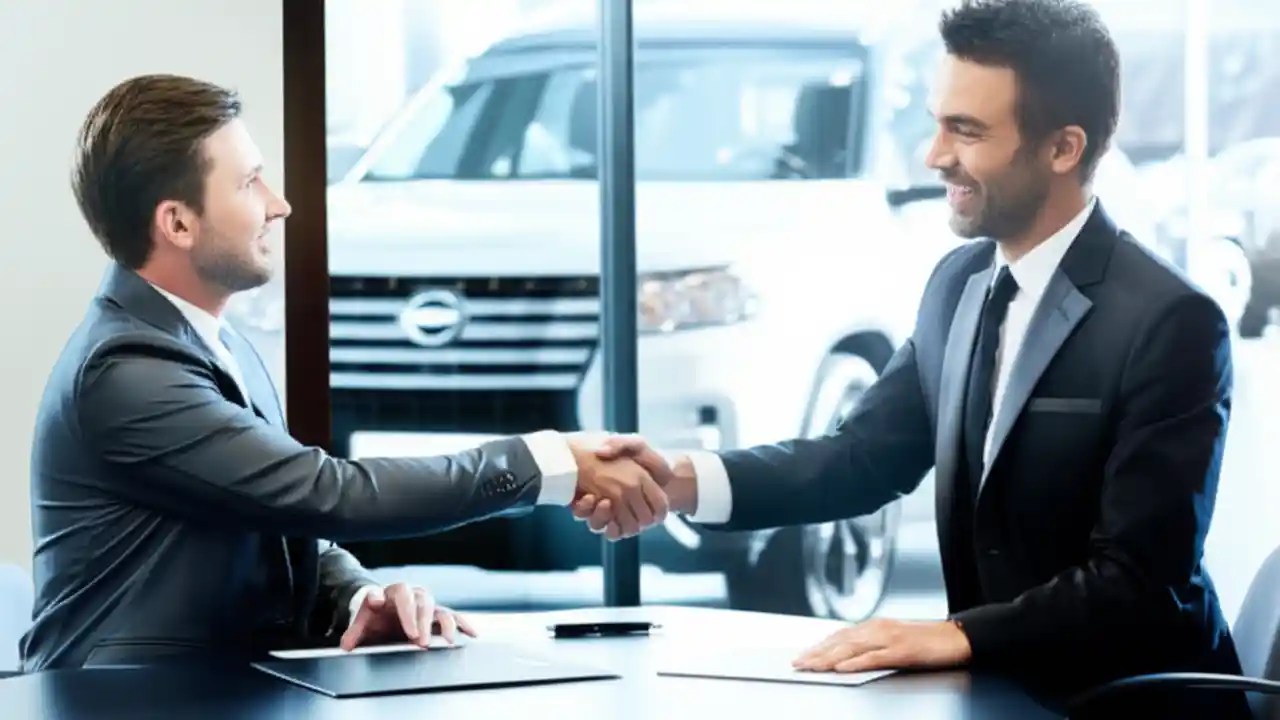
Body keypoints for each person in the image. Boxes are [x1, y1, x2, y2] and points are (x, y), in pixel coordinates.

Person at [574, 0, 1249, 716]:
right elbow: (862, 458)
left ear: (1063, 149)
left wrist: (956, 634)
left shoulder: (1171, 321)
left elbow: (1138, 581)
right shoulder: (957, 284)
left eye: (966, 130)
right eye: (936, 122)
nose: (933, 156)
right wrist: (676, 481)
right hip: (998, 692)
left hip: (1136, 701)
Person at [21, 74, 669, 672]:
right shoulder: (127, 371)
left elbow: (271, 517)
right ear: (178, 222)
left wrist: (356, 597)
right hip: (120, 702)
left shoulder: (217, 345)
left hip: (218, 691)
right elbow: (329, 493)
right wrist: (550, 462)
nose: (279, 205)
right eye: (250, 183)